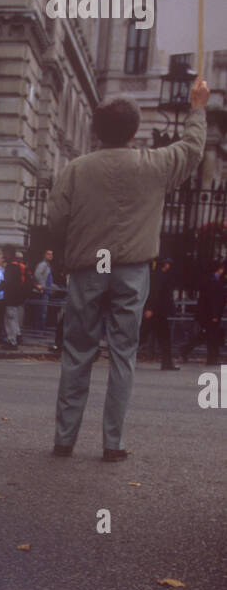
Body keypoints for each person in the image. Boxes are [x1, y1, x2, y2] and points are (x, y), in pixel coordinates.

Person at [50, 79, 208, 460]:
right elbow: (192, 150)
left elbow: (57, 218)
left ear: (96, 131)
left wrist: (68, 250)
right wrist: (197, 108)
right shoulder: (154, 164)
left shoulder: (76, 169)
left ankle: (64, 438)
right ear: (135, 131)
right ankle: (113, 442)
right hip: (132, 269)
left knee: (78, 352)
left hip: (89, 267)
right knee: (124, 353)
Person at [183, 260, 225, 366]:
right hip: (210, 314)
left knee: (205, 336)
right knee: (211, 336)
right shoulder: (213, 281)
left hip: (208, 314)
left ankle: (185, 350)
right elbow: (213, 300)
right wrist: (215, 314)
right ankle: (212, 359)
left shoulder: (212, 280)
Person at [142, 258, 179, 371]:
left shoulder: (159, 275)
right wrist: (150, 308)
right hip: (157, 312)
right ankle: (167, 363)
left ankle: (167, 363)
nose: (168, 266)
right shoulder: (159, 276)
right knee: (156, 337)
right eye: (167, 264)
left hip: (158, 312)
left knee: (157, 337)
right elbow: (155, 293)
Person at [1, 246, 31, 348]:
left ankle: (12, 341)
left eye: (4, 253)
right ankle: (17, 336)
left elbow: (8, 282)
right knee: (13, 318)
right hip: (15, 297)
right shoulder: (17, 266)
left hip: (10, 297)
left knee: (10, 319)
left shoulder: (11, 267)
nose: (3, 255)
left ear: (9, 254)